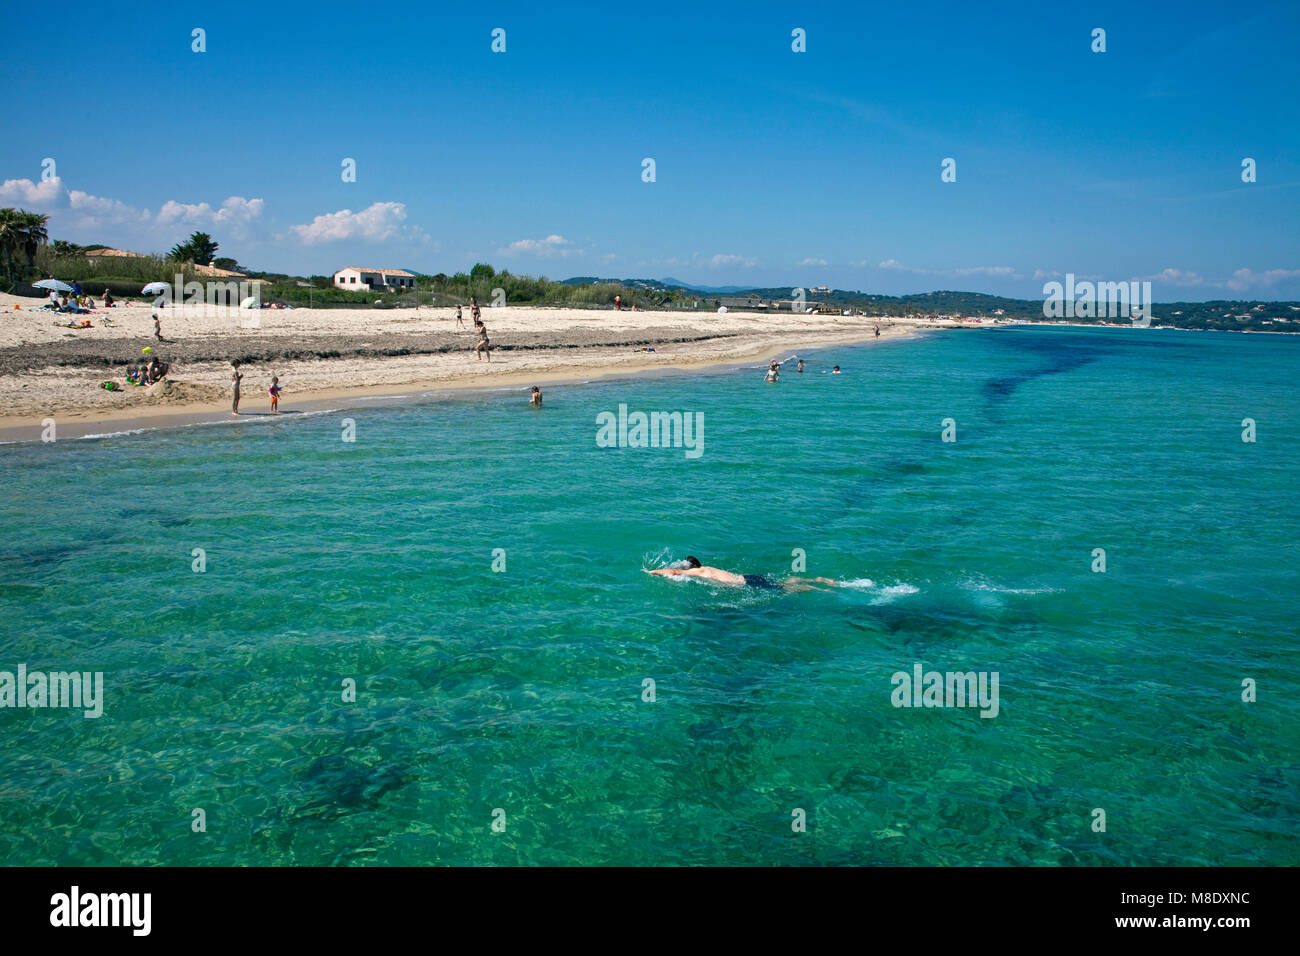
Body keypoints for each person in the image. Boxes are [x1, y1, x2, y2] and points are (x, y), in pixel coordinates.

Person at [646, 556, 839, 592]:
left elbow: (673, 572)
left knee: (785, 588)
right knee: (781, 582)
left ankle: (813, 587)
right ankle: (816, 579)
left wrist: (653, 572)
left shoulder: (700, 571)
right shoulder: (708, 569)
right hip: (748, 577)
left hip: (747, 584)